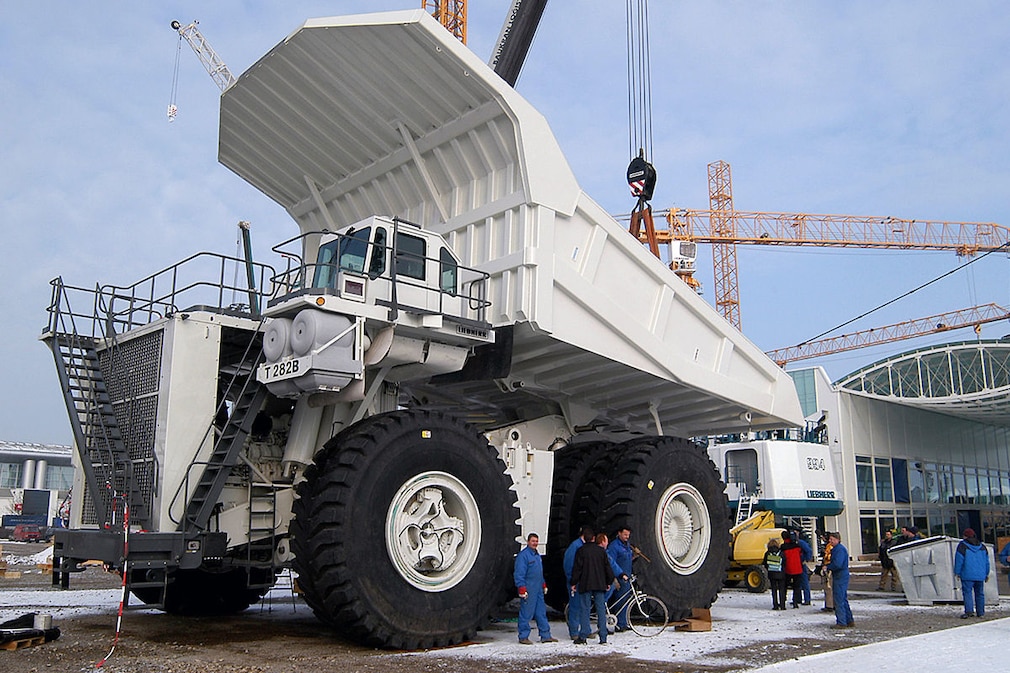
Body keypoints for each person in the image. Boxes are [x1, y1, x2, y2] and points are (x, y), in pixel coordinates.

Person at [571, 530, 615, 644]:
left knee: (585, 609)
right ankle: (603, 636)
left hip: (585, 584)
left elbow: (577, 569)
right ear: (594, 538)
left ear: (584, 539)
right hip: (600, 584)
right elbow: (607, 568)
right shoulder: (601, 552)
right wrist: (609, 582)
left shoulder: (581, 551)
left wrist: (573, 582)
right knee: (601, 609)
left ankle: (584, 635)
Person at [513, 533, 557, 644]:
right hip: (529, 589)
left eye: (536, 541)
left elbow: (539, 572)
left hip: (538, 589)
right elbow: (519, 573)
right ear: (528, 542)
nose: (535, 543)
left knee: (541, 613)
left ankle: (545, 635)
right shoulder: (523, 556)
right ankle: (523, 636)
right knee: (526, 613)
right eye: (533, 541)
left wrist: (543, 584)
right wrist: (521, 587)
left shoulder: (537, 555)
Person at [563, 526, 594, 640]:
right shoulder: (575, 547)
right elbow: (569, 565)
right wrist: (573, 581)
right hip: (576, 582)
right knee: (575, 606)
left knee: (585, 607)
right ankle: (574, 632)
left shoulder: (582, 546)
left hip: (584, 581)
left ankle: (585, 630)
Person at [953, 528, 989, 619]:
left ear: (965, 536)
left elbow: (959, 560)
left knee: (967, 593)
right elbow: (986, 562)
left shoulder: (962, 546)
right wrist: (986, 573)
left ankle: (969, 611)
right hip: (980, 574)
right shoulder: (982, 546)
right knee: (980, 593)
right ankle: (981, 612)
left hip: (967, 574)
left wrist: (957, 572)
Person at [607, 526, 634, 632]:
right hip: (619, 577)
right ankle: (617, 623)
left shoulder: (627, 545)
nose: (627, 537)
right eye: (625, 535)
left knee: (625, 600)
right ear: (619, 533)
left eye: (628, 535)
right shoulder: (614, 546)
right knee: (619, 601)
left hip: (627, 577)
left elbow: (627, 559)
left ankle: (623, 623)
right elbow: (610, 562)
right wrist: (614, 578)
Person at [825, 532, 853, 628]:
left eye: (832, 539)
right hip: (841, 575)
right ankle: (849, 620)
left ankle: (841, 622)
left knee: (839, 599)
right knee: (843, 598)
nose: (830, 541)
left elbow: (838, 564)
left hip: (840, 576)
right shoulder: (838, 549)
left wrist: (828, 567)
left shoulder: (839, 550)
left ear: (837, 540)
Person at [780, 530, 804, 608]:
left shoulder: (783, 547)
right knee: (796, 587)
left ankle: (783, 601)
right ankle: (795, 602)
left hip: (787, 569)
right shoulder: (797, 546)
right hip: (798, 568)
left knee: (784, 586)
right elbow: (801, 554)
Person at [763, 538, 786, 610]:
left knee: (774, 590)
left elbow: (765, 563)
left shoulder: (767, 553)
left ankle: (775, 605)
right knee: (782, 589)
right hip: (780, 573)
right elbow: (784, 562)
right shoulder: (781, 553)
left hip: (772, 573)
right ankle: (782, 605)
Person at [796, 531, 814, 605]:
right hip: (798, 563)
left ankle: (806, 599)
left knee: (804, 581)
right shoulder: (799, 542)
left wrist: (806, 559)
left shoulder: (800, 543)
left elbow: (809, 551)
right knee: (799, 582)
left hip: (801, 564)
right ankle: (799, 599)